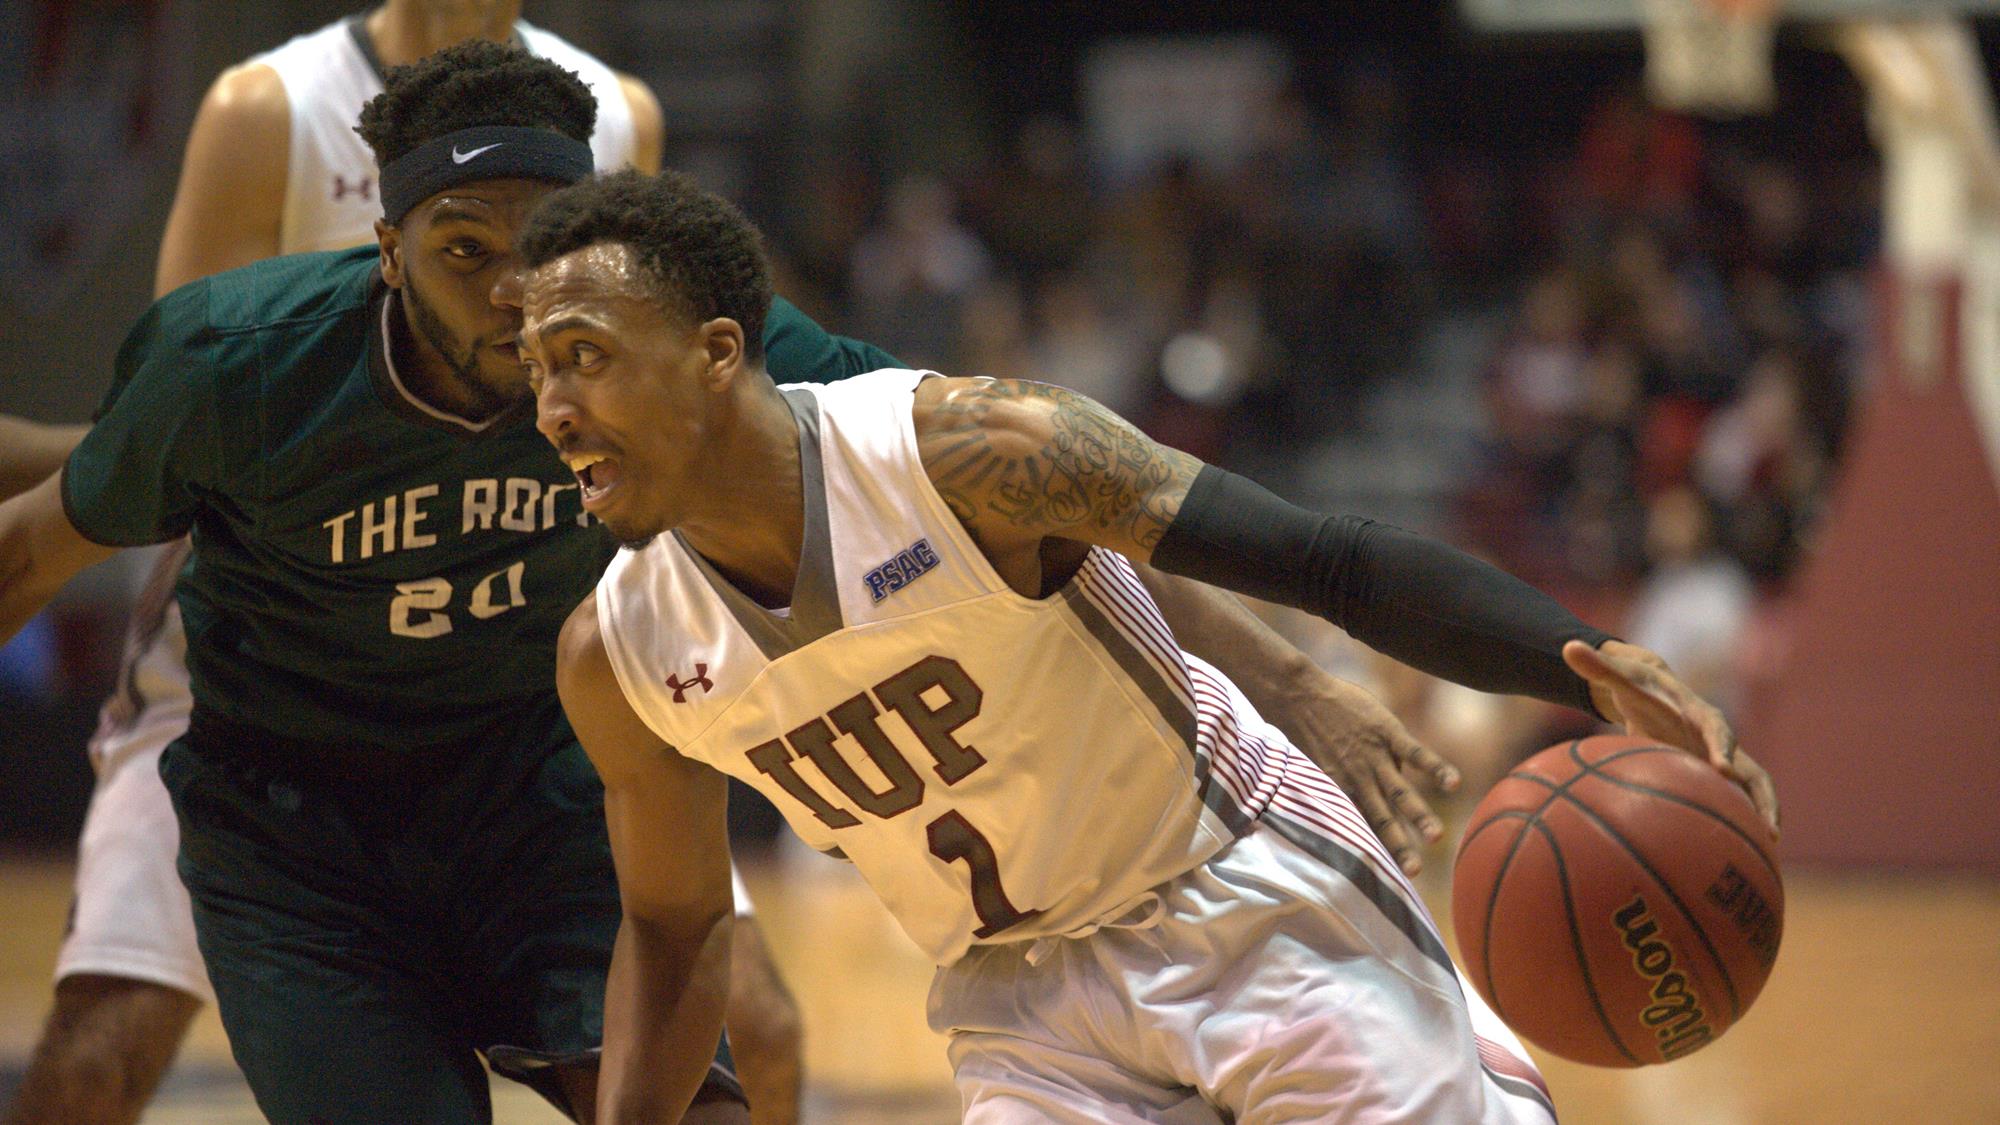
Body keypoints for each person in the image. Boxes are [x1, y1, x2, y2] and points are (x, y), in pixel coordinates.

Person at [514, 169, 1780, 1123]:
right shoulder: (617, 654)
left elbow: (1320, 559)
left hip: (1238, 890)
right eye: (534, 374)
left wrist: (1589, 656)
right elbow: (676, 932)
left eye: (585, 359)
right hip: (1017, 1008)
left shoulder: (965, 455)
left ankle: (1481, 1077)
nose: (553, 409)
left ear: (715, 352)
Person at [0, 41, 916, 1124]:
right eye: (462, 249)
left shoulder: (663, 337)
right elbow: (28, 549)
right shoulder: (236, 362)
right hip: (300, 840)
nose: (506, 291)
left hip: (543, 805)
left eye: (539, 249)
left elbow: (917, 424)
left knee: (709, 1100)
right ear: (389, 251)